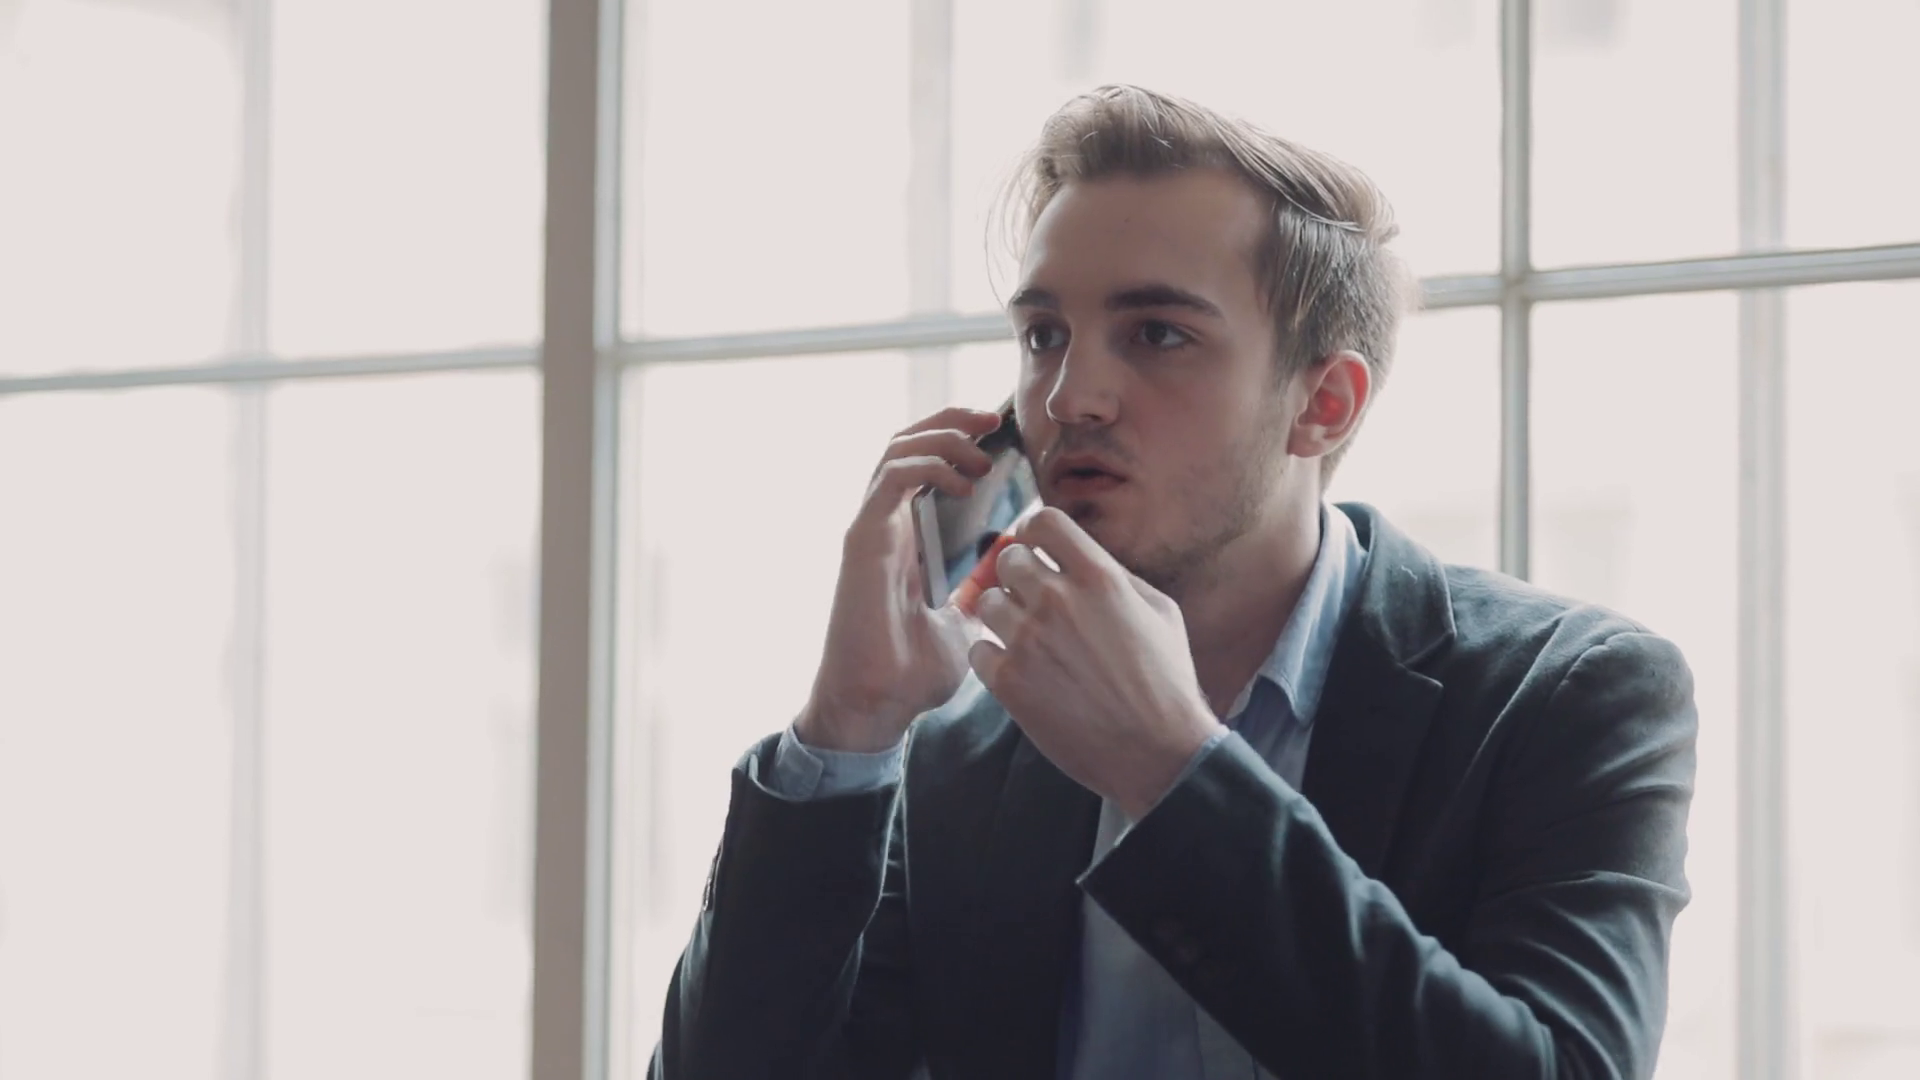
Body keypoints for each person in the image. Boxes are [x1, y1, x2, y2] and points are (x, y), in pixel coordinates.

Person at [649, 85, 1696, 1080]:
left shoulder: (1571, 695)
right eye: (1044, 335)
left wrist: (1173, 772)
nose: (1071, 397)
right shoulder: (960, 747)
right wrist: (848, 725)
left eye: (1157, 335)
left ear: (1322, 404)